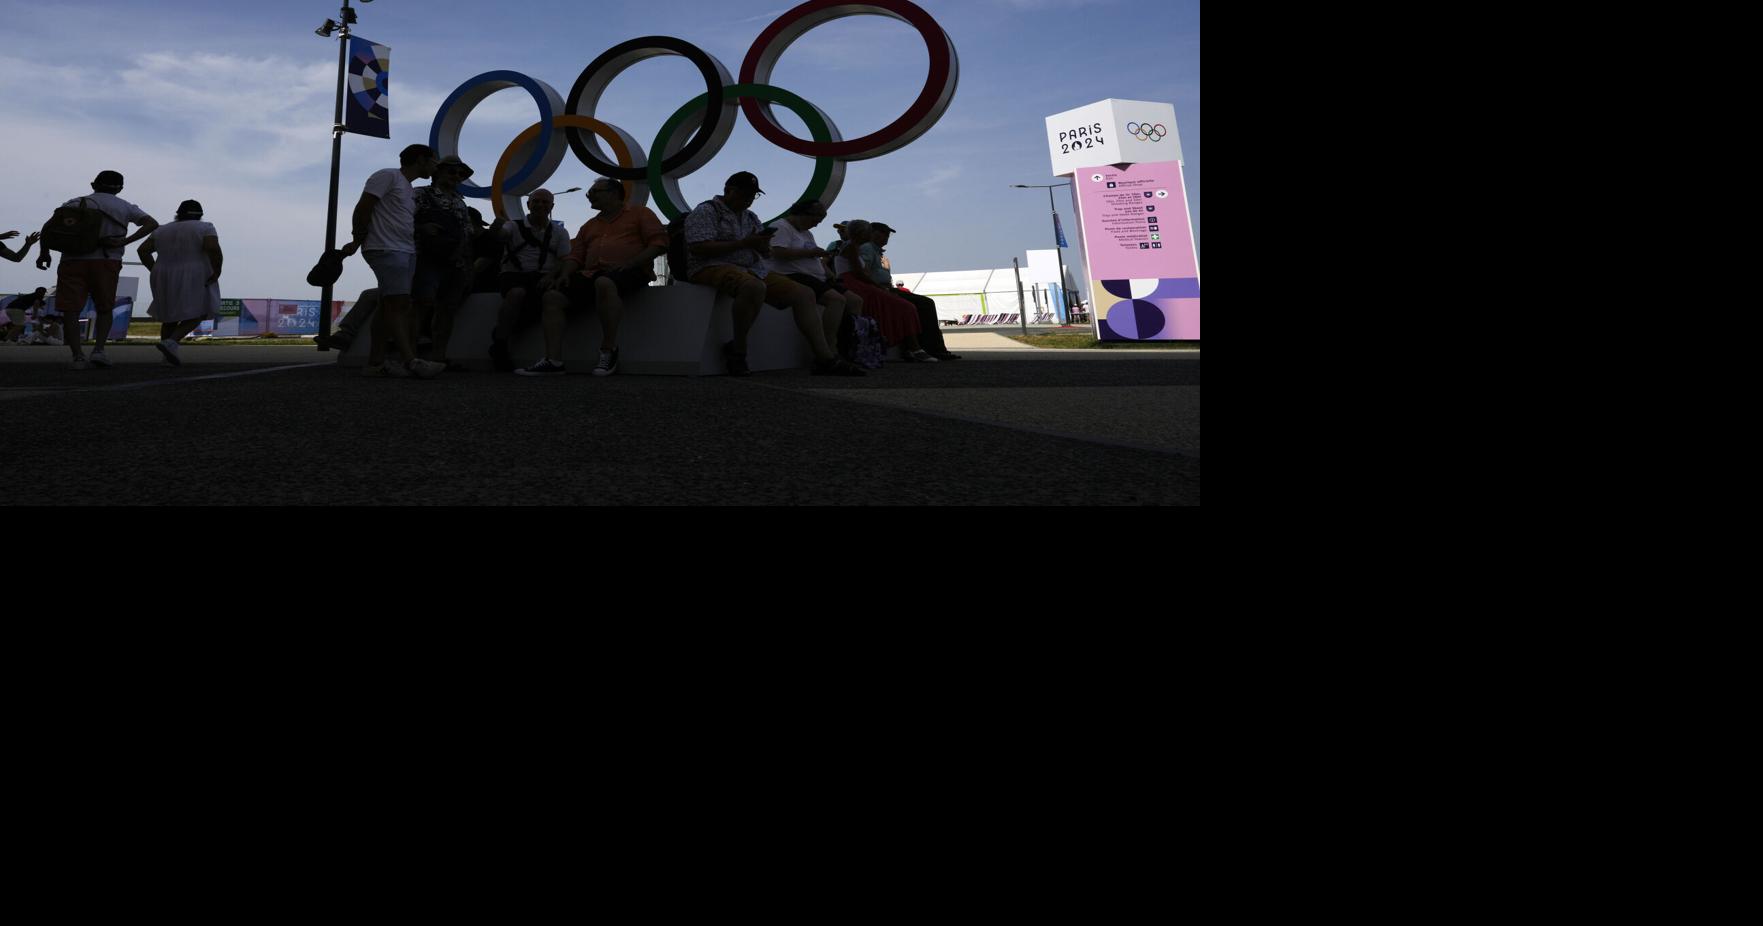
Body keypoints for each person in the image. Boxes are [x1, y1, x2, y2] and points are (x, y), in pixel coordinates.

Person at [683, 171, 863, 377]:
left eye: (753, 196)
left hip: (750, 269)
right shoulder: (706, 211)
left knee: (804, 294)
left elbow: (767, 251)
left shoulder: (750, 217)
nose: (749, 200)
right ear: (728, 191)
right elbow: (699, 247)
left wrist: (762, 247)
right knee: (753, 286)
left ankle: (824, 357)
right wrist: (744, 243)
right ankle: (738, 350)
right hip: (711, 266)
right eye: (745, 195)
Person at [517, 178, 671, 376]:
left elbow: (659, 242)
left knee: (604, 282)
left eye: (594, 191)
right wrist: (564, 274)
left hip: (632, 271)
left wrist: (632, 263)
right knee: (552, 296)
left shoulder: (640, 213)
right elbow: (576, 256)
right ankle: (553, 360)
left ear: (613, 193)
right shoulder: (589, 225)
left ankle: (608, 350)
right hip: (592, 273)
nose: (589, 196)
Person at [33, 170, 158, 370]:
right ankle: (99, 350)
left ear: (93, 184)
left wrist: (44, 253)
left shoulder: (74, 203)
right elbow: (152, 223)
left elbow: (48, 229)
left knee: (71, 310)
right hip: (107, 260)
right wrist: (126, 240)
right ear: (120, 188)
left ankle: (77, 357)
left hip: (72, 260)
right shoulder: (124, 206)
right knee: (105, 307)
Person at [344, 143, 445, 379]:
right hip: (386, 249)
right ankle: (412, 361)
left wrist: (421, 228)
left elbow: (394, 218)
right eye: (433, 162)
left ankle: (375, 363)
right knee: (400, 304)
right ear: (421, 159)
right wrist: (357, 240)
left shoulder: (408, 189)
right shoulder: (387, 176)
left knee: (386, 306)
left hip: (404, 250)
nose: (435, 167)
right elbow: (363, 208)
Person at [764, 199, 861, 354]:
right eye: (816, 220)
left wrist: (830, 274)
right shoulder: (780, 227)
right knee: (836, 300)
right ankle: (829, 348)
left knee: (855, 300)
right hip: (793, 274)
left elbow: (815, 259)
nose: (816, 225)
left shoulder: (806, 233)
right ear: (804, 214)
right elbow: (778, 252)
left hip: (817, 276)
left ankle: (849, 346)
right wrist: (812, 253)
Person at [489, 188, 570, 372]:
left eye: (545, 202)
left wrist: (551, 276)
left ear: (552, 207)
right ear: (528, 205)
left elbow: (564, 259)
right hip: (513, 275)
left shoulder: (559, 232)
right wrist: (496, 227)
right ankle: (501, 345)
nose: (540, 205)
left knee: (550, 298)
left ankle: (502, 334)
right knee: (517, 293)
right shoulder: (513, 226)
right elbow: (501, 236)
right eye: (536, 201)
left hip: (543, 277)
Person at [412, 154, 478, 370]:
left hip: (456, 264)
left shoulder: (460, 203)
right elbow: (401, 220)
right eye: (452, 171)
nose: (457, 176)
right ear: (437, 172)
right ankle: (409, 355)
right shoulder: (419, 194)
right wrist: (421, 229)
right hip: (427, 260)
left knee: (447, 311)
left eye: (460, 173)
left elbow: (467, 234)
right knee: (422, 305)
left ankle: (438, 357)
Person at [136, 200, 221, 366]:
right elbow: (212, 247)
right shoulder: (206, 227)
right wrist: (217, 269)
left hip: (163, 272)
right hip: (194, 271)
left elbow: (143, 250)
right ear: (200, 215)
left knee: (169, 315)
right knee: (202, 309)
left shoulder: (162, 229)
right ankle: (172, 341)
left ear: (178, 213)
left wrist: (154, 268)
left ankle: (167, 356)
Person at [834, 220, 933, 361]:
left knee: (904, 306)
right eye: (869, 232)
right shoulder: (851, 248)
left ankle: (912, 347)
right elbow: (859, 273)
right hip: (855, 284)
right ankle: (914, 348)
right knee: (906, 307)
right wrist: (879, 286)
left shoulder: (854, 247)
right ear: (862, 233)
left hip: (858, 284)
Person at [866, 223, 960, 360]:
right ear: (871, 233)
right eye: (882, 233)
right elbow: (864, 272)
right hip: (880, 289)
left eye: (887, 234)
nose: (886, 237)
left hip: (885, 288)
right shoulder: (868, 249)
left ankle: (933, 348)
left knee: (925, 303)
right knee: (924, 304)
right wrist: (882, 289)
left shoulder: (877, 253)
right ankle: (930, 349)